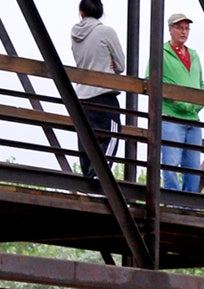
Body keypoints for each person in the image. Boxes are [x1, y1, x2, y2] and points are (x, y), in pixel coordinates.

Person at [70, 0, 125, 179]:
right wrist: (109, 64)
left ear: (82, 12)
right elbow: (121, 65)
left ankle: (89, 181)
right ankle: (100, 180)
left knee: (86, 143)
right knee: (111, 138)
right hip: (104, 95)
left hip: (81, 96)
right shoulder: (106, 32)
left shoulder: (74, 34)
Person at [153, 11, 204, 192]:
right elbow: (150, 79)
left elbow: (201, 84)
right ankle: (172, 203)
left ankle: (190, 205)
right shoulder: (161, 51)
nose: (184, 32)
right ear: (170, 29)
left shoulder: (194, 54)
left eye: (186, 28)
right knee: (171, 163)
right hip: (171, 115)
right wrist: (175, 100)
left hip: (193, 118)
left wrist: (197, 105)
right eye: (180, 28)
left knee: (193, 166)